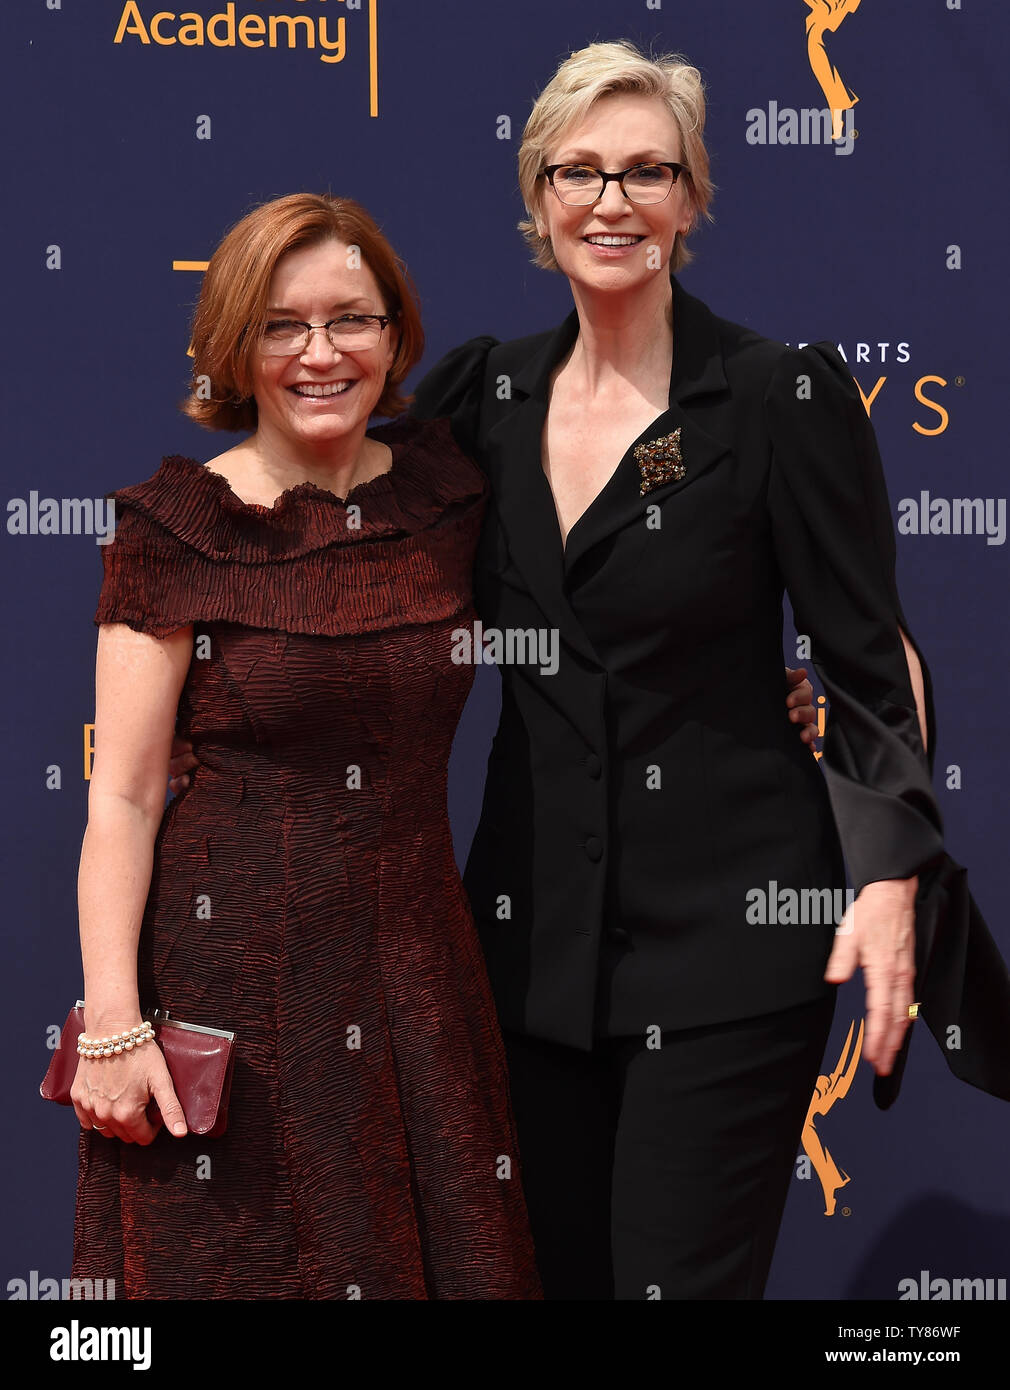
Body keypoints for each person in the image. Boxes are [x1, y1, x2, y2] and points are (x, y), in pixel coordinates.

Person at [397, 40, 1010, 1297]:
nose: (610, 202)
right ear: (536, 197)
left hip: (729, 957)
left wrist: (888, 878)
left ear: (690, 199)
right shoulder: (481, 399)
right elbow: (345, 561)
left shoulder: (775, 397)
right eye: (579, 173)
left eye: (645, 173)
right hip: (523, 962)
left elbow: (865, 660)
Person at [69, 192, 543, 1299]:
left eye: (352, 319)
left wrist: (778, 692)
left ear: (395, 334)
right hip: (229, 981)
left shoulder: (444, 493)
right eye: (282, 325)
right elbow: (125, 798)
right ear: (236, 346)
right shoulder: (177, 529)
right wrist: (111, 1026)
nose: (320, 353)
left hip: (418, 970)